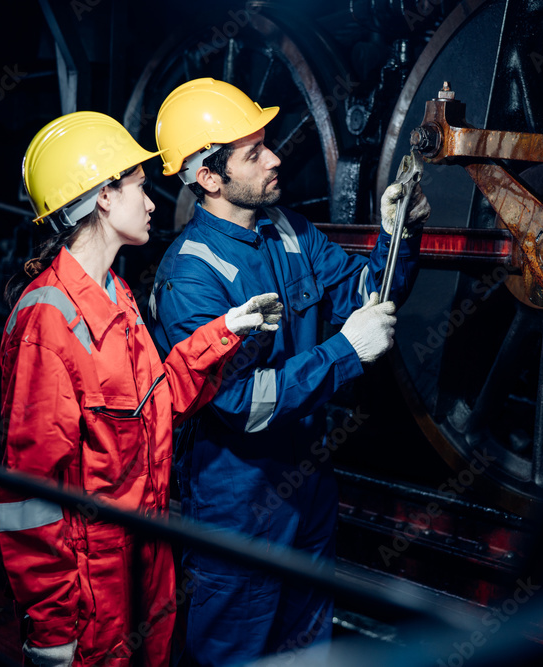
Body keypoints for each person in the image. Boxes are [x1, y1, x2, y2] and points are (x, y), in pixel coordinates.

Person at [148, 78, 430, 665]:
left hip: (306, 490)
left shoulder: (289, 231)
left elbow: (364, 296)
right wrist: (344, 352)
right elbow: (241, 405)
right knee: (236, 653)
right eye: (253, 153)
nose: (276, 157)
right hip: (238, 506)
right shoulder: (190, 277)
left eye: (266, 143)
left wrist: (398, 233)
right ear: (209, 177)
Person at [0, 111, 283, 667]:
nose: (151, 203)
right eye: (138, 187)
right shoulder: (48, 322)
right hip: (91, 589)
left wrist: (226, 331)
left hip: (144, 562)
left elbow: (161, 400)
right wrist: (52, 629)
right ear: (104, 196)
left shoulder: (116, 295)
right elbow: (28, 496)